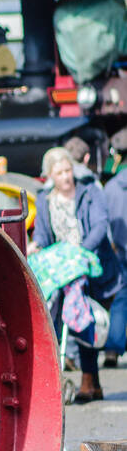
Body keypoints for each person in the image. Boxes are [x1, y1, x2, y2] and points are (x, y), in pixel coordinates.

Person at [32, 147, 122, 402]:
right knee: (62, 323)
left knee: (87, 322)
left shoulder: (90, 191)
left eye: (68, 170)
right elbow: (42, 232)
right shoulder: (44, 198)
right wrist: (37, 245)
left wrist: (81, 252)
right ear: (50, 175)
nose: (66, 177)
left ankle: (89, 380)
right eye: (59, 173)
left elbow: (99, 225)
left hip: (92, 267)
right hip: (63, 270)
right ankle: (85, 382)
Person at [102, 128, 127, 366]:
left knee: (119, 300)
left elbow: (105, 221)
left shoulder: (109, 188)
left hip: (119, 250)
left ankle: (112, 349)